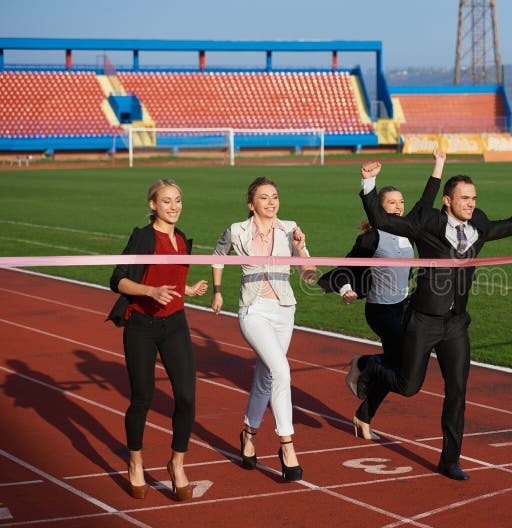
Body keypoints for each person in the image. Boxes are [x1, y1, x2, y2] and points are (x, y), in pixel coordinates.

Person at [350, 165, 512, 480]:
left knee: (457, 391)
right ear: (447, 200)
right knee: (409, 386)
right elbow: (383, 220)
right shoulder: (428, 223)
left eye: (474, 198)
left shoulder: (481, 225)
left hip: (456, 324)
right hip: (423, 320)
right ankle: (369, 367)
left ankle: (450, 460)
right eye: (465, 198)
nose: (471, 203)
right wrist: (368, 183)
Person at [318, 150, 445, 440]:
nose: (399, 207)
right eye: (392, 203)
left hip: (403, 308)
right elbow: (345, 268)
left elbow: (426, 203)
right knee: (402, 365)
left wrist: (439, 165)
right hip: (380, 311)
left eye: (401, 202)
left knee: (395, 366)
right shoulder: (372, 237)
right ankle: (363, 364)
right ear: (380, 207)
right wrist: (346, 288)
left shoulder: (408, 230)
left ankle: (364, 415)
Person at [107, 178, 208, 501]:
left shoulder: (181, 239)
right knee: (143, 398)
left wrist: (187, 291)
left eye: (177, 200)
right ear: (152, 205)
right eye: (166, 201)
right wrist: (150, 291)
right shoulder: (143, 237)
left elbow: (170, 279)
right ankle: (135, 462)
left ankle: (177, 463)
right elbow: (117, 279)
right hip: (141, 326)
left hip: (175, 324)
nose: (174, 206)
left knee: (187, 397)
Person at [211, 177, 316, 482]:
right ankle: (287, 446)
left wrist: (301, 250)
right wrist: (217, 291)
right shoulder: (236, 230)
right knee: (282, 371)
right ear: (251, 204)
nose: (271, 203)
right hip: (253, 310)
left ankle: (248, 433)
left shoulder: (289, 227)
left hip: (284, 310)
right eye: (264, 198)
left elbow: (307, 273)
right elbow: (217, 256)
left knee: (266, 376)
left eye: (275, 197)